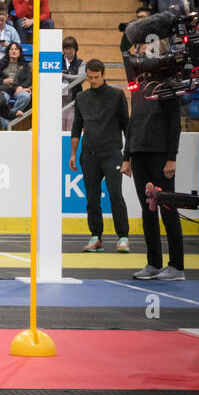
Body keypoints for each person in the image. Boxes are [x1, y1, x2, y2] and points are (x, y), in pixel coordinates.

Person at [123, 81, 184, 281]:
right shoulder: (138, 87)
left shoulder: (168, 87)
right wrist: (126, 156)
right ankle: (154, 263)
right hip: (139, 154)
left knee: (167, 209)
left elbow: (175, 122)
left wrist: (171, 158)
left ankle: (176, 266)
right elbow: (133, 122)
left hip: (160, 155)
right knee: (148, 210)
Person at [69, 59, 130, 254]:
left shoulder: (117, 95)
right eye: (90, 77)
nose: (93, 80)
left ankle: (123, 237)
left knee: (115, 196)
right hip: (88, 154)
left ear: (103, 75)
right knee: (92, 199)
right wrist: (72, 154)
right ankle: (96, 237)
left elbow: (127, 127)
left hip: (112, 153)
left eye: (96, 77)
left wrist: (128, 156)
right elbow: (76, 127)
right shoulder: (81, 97)